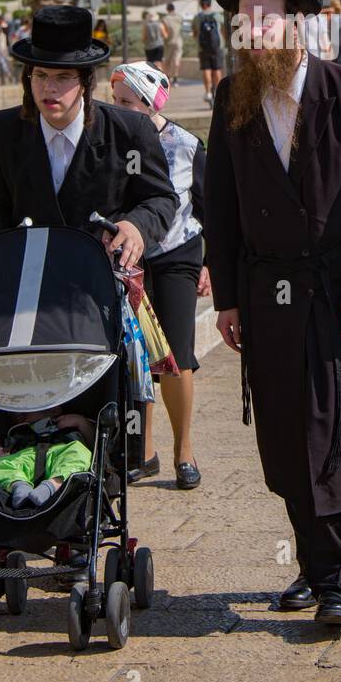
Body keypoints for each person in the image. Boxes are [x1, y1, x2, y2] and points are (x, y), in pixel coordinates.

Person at [204, 0, 341, 628]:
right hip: (266, 294)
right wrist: (226, 299)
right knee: (287, 434)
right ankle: (314, 572)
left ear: (294, 23)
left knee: (335, 430)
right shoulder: (233, 98)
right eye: (242, 17)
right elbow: (219, 207)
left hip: (335, 291)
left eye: (264, 14)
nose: (251, 28)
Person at [0, 5, 178, 269]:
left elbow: (161, 198)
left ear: (85, 83)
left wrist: (136, 226)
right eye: (40, 75)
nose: (49, 87)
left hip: (102, 282)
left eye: (63, 77)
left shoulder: (130, 130)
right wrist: (2, 244)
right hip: (28, 280)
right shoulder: (5, 128)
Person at [110, 61, 208, 490]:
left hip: (177, 255)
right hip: (128, 259)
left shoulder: (186, 144)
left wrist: (211, 265)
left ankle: (183, 452)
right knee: (137, 358)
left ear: (151, 102)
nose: (120, 109)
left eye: (127, 102)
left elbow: (210, 208)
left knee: (176, 356)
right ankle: (143, 452)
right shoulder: (109, 142)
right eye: (115, 102)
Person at [0, 407, 95, 510]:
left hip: (62, 452)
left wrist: (81, 422)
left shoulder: (68, 424)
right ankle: (19, 486)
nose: (20, 413)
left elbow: (96, 448)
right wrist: (1, 457)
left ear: (53, 410)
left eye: (28, 407)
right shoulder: (18, 432)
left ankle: (52, 485)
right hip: (28, 457)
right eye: (16, 411)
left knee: (80, 451)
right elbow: (8, 457)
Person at [192, 0, 223, 107]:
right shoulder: (218, 16)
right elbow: (224, 31)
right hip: (217, 47)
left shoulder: (197, 17)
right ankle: (220, 93)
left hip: (203, 48)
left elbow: (195, 34)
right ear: (210, 4)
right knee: (217, 69)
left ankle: (209, 92)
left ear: (201, 4)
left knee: (206, 69)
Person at [162, 2, 184, 84]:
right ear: (174, 9)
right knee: (176, 60)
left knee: (167, 60)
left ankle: (167, 77)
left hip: (169, 42)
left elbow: (164, 32)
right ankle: (175, 77)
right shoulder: (180, 17)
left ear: (167, 9)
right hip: (178, 41)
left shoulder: (165, 19)